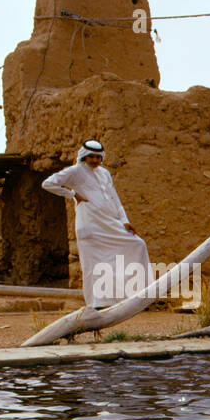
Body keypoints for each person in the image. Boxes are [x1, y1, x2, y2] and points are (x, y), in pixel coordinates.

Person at [42, 140, 151, 336]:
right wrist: (73, 194)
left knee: (137, 244)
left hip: (109, 223)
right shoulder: (75, 171)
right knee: (94, 266)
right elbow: (48, 184)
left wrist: (124, 220)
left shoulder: (105, 173)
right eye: (91, 157)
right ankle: (96, 307)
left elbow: (114, 198)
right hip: (90, 226)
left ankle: (134, 295)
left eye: (98, 157)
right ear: (84, 156)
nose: (94, 160)